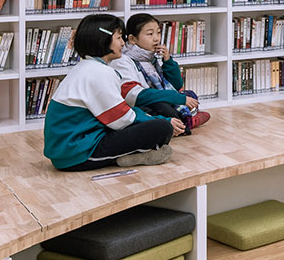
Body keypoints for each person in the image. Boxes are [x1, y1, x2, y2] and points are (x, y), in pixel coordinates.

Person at [43, 13, 184, 170]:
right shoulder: (99, 72)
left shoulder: (87, 67)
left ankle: (130, 155)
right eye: (118, 38)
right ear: (103, 40)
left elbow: (119, 111)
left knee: (153, 120)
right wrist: (161, 121)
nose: (123, 43)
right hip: (77, 154)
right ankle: (123, 157)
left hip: (69, 149)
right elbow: (121, 119)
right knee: (161, 128)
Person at [117, 12, 211, 132]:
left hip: (155, 98)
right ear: (132, 39)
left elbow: (176, 85)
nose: (156, 38)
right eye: (150, 34)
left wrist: (168, 60)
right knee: (162, 106)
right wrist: (175, 98)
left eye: (158, 32)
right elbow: (136, 96)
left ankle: (183, 119)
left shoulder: (150, 58)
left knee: (189, 95)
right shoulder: (124, 61)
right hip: (140, 103)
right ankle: (186, 122)